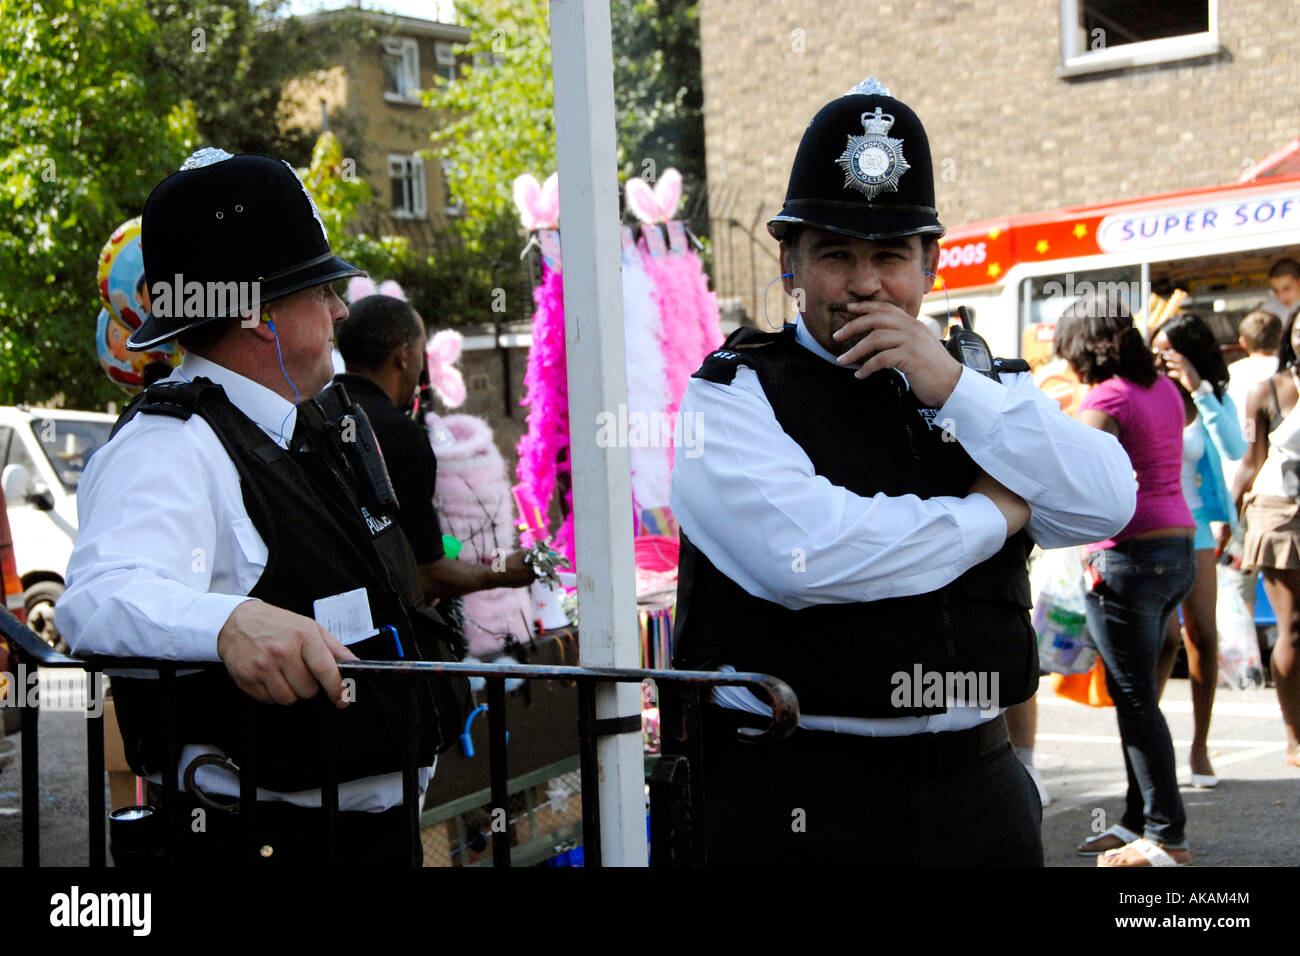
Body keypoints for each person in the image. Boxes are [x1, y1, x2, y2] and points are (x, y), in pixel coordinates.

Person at [669, 80, 1136, 867]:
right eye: (835, 256)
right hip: (800, 791)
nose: (863, 284)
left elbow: (1107, 498)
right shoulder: (734, 391)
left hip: (976, 788)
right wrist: (995, 515)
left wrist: (953, 388)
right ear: (790, 263)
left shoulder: (986, 382)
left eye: (889, 257)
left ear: (930, 265)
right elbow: (809, 555)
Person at [56, 150, 458, 866]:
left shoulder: (308, 424)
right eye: (320, 290)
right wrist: (228, 624)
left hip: (364, 837)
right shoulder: (171, 446)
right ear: (254, 314)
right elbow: (97, 597)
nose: (340, 310)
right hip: (265, 846)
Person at [1058, 297, 1197, 867]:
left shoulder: (1106, 396)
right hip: (1178, 548)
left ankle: (1168, 836)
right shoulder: (1162, 390)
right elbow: (1183, 419)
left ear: (1083, 347)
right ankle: (1137, 820)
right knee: (1137, 695)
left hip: (1127, 558)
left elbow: (1069, 463)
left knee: (1136, 699)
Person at [333, 293, 536, 603]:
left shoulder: (316, 412)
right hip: (387, 636)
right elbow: (424, 574)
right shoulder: (402, 434)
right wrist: (503, 572)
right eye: (420, 349)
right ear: (403, 355)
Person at [1149, 312, 1246, 789]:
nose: (1162, 359)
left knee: (1203, 637)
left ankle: (1200, 747)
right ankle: (1147, 743)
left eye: (1171, 351)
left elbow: (1234, 447)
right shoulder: (1146, 392)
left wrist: (1200, 389)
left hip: (1198, 531)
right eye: (1157, 350)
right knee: (1164, 640)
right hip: (1152, 528)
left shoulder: (1208, 395)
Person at [1231, 304, 1300, 770]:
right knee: (1294, 626)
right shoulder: (1266, 390)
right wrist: (1227, 521)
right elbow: (1250, 461)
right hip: (1279, 514)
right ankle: (1295, 737)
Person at [1227, 310, 1282, 436]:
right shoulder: (1287, 371)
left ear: (1242, 341)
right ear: (1281, 337)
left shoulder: (1233, 372)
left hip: (1244, 441)